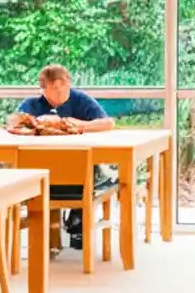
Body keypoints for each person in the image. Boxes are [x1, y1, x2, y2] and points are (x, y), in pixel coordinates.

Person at [8, 65, 116, 252]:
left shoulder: (80, 99)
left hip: (80, 177)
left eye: (62, 85)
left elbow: (108, 123)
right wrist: (26, 124)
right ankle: (56, 232)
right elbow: (12, 121)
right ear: (43, 89)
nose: (59, 90)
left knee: (99, 172)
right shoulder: (32, 105)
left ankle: (77, 221)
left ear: (69, 84)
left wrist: (80, 125)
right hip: (39, 179)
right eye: (53, 87)